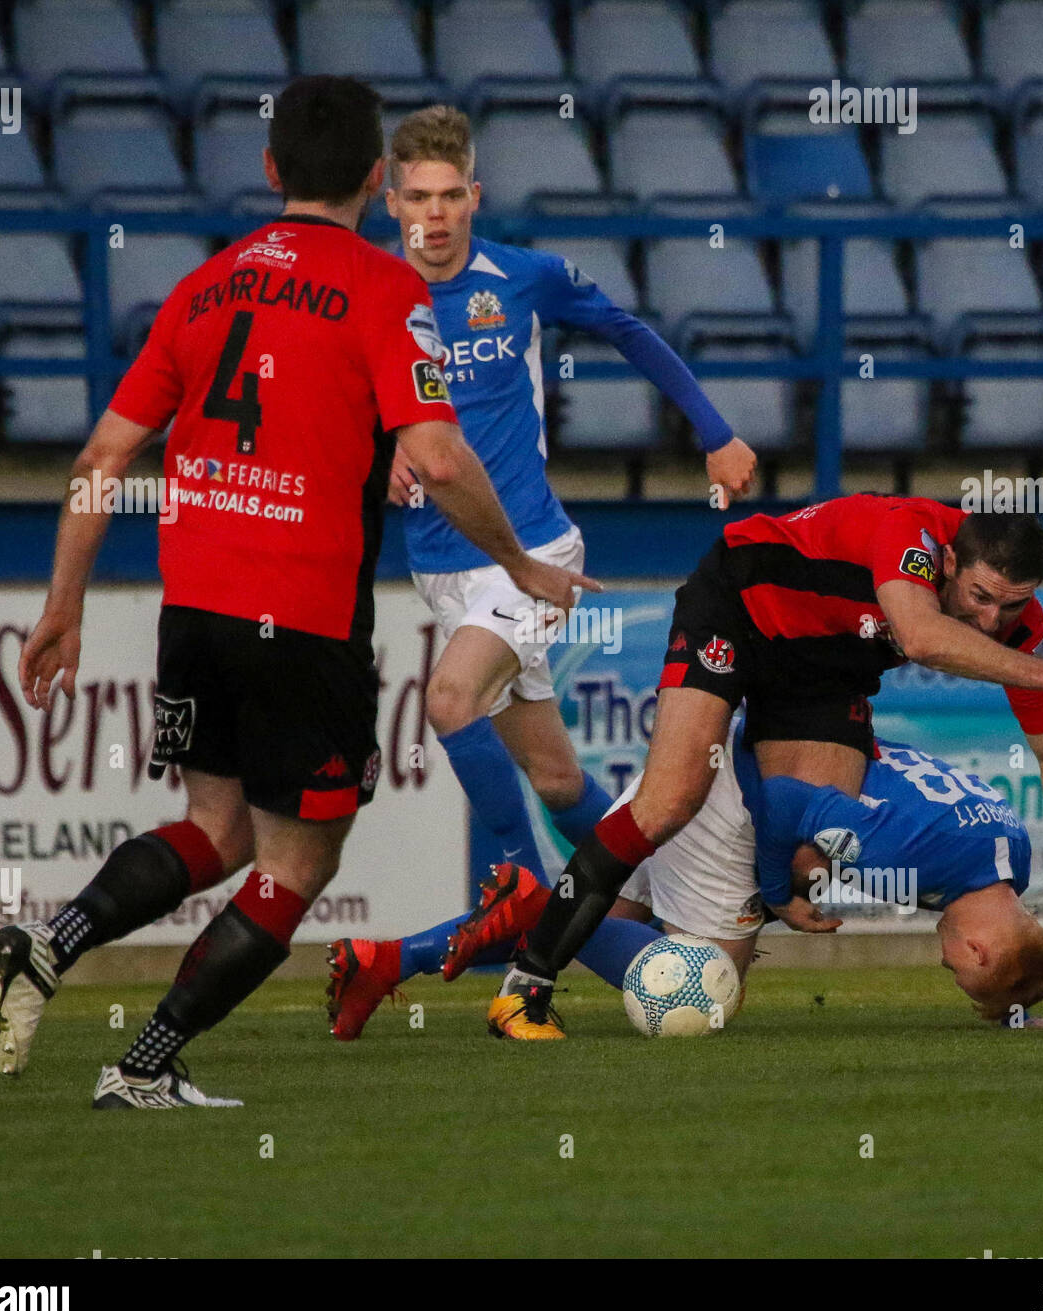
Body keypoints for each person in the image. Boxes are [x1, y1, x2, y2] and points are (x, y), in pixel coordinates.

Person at [0, 76, 592, 1108]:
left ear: (269, 172)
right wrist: (527, 564)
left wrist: (64, 604)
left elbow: (102, 453)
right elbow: (437, 456)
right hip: (302, 621)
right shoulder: (384, 289)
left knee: (215, 830)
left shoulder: (202, 285)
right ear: (372, 178)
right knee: (293, 864)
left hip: (195, 607)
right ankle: (145, 1062)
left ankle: (50, 941)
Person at [321, 105, 759, 1022]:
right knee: (560, 781)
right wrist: (383, 449)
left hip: (534, 558)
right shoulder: (364, 290)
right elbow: (346, 410)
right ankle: (648, 949)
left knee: (447, 701)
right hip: (441, 568)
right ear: (388, 198)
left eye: (450, 197)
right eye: (416, 199)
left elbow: (630, 329)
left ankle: (515, 886)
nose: (433, 217)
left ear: (474, 196)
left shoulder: (519, 278)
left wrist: (715, 435)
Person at [475, 497, 1043, 1037]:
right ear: (947, 561)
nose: (992, 618)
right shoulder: (910, 534)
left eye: (1012, 604)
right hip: (739, 605)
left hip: (827, 668)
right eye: (980, 596)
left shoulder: (1017, 630)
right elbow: (918, 635)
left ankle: (557, 904)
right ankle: (528, 983)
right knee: (670, 800)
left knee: (730, 967)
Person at [446, 727, 1043, 1032]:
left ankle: (401, 954)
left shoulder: (1011, 860)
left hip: (714, 768)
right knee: (706, 994)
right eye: (959, 973)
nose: (944, 965)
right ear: (977, 949)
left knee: (612, 926)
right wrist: (783, 894)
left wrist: (1015, 1013)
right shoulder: (913, 853)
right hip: (723, 797)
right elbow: (786, 801)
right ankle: (533, 905)